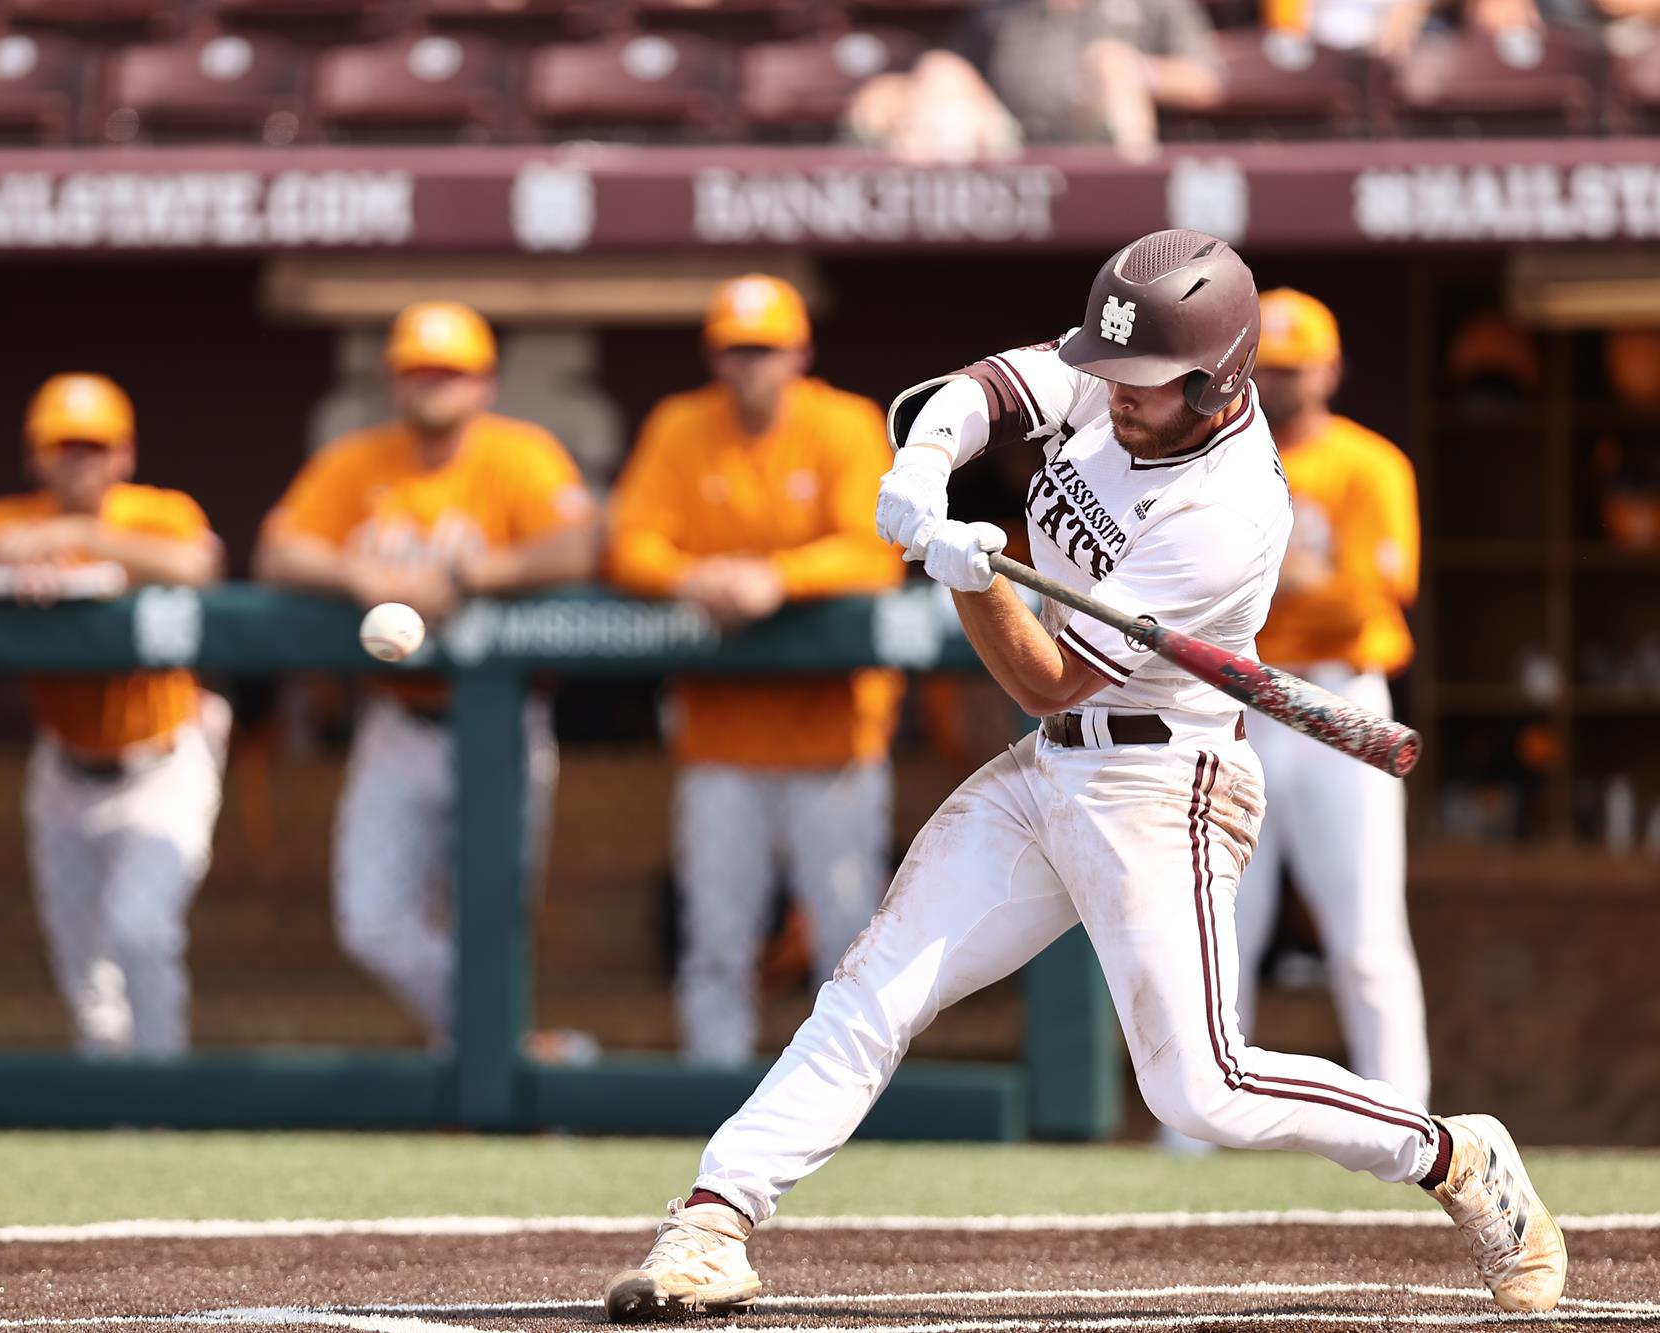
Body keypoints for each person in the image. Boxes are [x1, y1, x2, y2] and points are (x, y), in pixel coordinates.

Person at [602, 231, 1566, 1322]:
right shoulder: (1122, 362)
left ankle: (1449, 1153)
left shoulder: (1226, 514)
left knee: (1197, 1086)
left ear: (1219, 381)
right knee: (874, 985)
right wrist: (925, 463)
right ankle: (712, 1219)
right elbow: (980, 391)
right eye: (1106, 373)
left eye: (1146, 387)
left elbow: (1046, 679)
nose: (1113, 398)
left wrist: (966, 579)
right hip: (1046, 775)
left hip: (1164, 786)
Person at [253, 301, 595, 1047]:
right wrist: (358, 573)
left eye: (449, 372)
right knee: (371, 920)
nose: (432, 386)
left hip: (499, 720)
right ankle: (503, 1045)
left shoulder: (519, 454)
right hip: (398, 721)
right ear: (393, 383)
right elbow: (278, 548)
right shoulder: (357, 460)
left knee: (491, 917)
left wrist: (477, 573)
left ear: (485, 382)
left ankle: (479, 1070)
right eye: (417, 372)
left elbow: (577, 546)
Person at [608, 275, 905, 1067]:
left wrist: (776, 577)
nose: (752, 366)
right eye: (738, 351)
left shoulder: (845, 423)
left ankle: (850, 1096)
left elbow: (876, 547)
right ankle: (716, 1091)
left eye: (766, 349)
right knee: (716, 938)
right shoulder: (681, 425)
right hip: (722, 736)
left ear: (800, 352)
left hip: (834, 736)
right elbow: (629, 540)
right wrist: (691, 577)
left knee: (850, 941)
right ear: (715, 356)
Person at [0, 373, 226, 1057]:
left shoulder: (156, 511)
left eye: (93, 447)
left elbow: (200, 564)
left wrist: (79, 535)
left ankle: (163, 1099)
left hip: (161, 756)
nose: (79, 462)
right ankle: (113, 1118)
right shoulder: (12, 519)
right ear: (36, 456)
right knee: (83, 969)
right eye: (64, 447)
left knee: (141, 930)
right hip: (63, 763)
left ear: (123, 455)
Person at [1233, 287, 1429, 1115]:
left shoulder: (1370, 462)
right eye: (1265, 368)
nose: (1278, 384)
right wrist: (1302, 582)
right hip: (1239, 699)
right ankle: (1202, 1124)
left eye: (1293, 368)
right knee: (1223, 926)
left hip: (1336, 700)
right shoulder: (1219, 462)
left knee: (1367, 935)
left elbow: (1377, 595)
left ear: (1330, 369)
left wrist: (1269, 581)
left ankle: (1408, 1120)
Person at [849, 0, 1222, 160]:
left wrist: (1138, 70)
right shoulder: (1002, 8)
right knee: (935, 69)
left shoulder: (1156, 4)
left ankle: (1131, 221)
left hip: (1106, 147)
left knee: (1113, 70)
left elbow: (1207, 80)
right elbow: (958, 74)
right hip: (1013, 149)